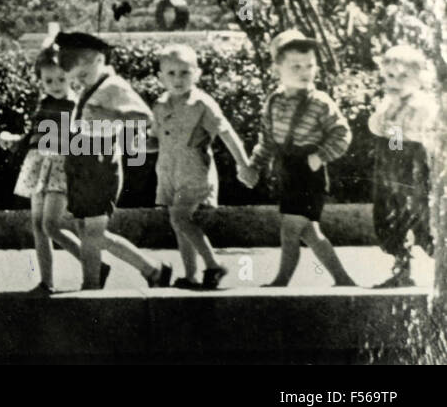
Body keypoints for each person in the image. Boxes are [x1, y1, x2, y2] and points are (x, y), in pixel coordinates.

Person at [55, 30, 172, 291]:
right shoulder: (90, 87)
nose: (80, 82)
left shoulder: (114, 86)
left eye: (82, 76)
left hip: (101, 163)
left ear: (98, 59)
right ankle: (152, 269)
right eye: (76, 80)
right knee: (87, 231)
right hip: (82, 162)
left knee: (93, 231)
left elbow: (143, 118)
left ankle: (91, 286)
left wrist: (110, 115)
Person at [242, 30, 356, 287]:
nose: (305, 71)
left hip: (309, 172)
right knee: (310, 233)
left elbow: (342, 134)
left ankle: (282, 281)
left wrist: (321, 156)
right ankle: (343, 279)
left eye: (310, 66)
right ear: (277, 69)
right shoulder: (273, 102)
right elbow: (268, 140)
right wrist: (255, 165)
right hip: (287, 172)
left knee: (290, 228)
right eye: (296, 66)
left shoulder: (320, 102)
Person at [150, 44, 255, 289]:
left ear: (197, 74)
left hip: (194, 171)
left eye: (185, 73)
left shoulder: (201, 104)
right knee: (180, 224)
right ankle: (191, 274)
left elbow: (226, 133)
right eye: (171, 73)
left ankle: (214, 264)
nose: (178, 79)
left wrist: (244, 165)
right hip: (168, 172)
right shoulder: (160, 105)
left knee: (180, 218)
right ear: (160, 77)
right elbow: (156, 140)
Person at [0, 47, 81, 294]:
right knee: (37, 224)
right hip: (40, 165)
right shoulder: (44, 104)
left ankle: (93, 263)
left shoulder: (74, 104)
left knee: (51, 224)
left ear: (72, 77)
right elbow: (32, 137)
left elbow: (80, 138)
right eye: (48, 80)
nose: (55, 85)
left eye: (61, 79)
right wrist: (13, 140)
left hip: (60, 167)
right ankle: (47, 281)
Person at [368, 44, 438, 288]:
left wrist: (396, 128)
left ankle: (440, 262)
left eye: (403, 76)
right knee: (391, 219)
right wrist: (385, 122)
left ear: (419, 79)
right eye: (389, 76)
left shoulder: (422, 105)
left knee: (418, 219)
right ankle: (402, 270)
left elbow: (420, 135)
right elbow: (377, 127)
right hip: (390, 169)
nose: (395, 82)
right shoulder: (389, 103)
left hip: (411, 168)